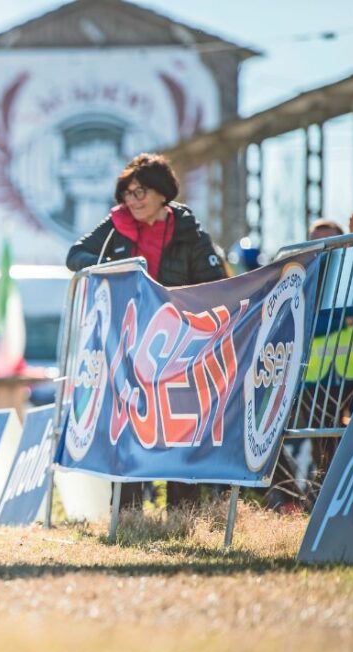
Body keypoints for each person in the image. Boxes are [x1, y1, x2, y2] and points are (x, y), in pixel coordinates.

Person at [66, 153, 225, 508]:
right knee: (126, 433)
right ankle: (127, 515)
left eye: (142, 192)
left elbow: (214, 284)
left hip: (179, 350)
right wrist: (118, 268)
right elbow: (76, 255)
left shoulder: (189, 231)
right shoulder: (115, 225)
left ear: (162, 193)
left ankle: (184, 514)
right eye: (128, 192)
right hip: (127, 349)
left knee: (178, 432)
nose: (133, 200)